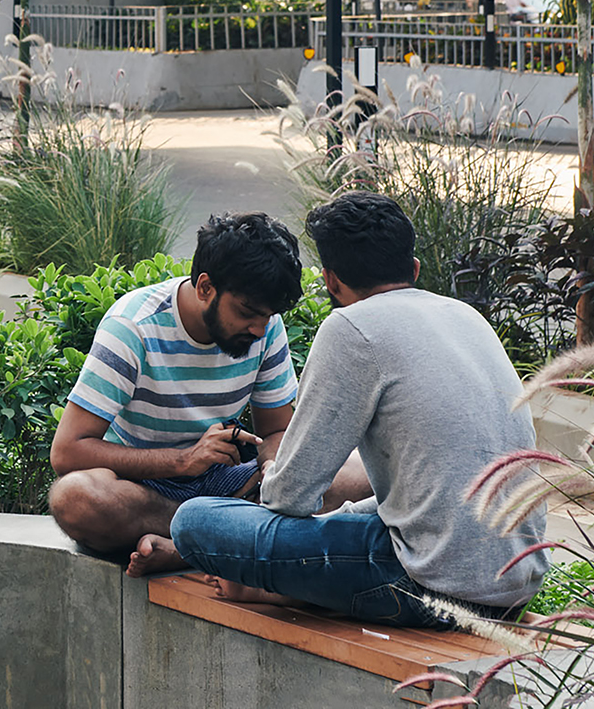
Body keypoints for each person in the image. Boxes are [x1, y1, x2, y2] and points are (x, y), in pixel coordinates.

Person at [155, 192, 548, 629]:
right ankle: (292, 588)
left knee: (194, 521)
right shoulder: (467, 317)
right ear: (413, 269)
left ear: (331, 281)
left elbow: (289, 496)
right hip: (516, 586)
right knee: (350, 507)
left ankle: (277, 587)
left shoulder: (350, 328)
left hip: (427, 588)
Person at [46, 212, 316, 567]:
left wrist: (273, 466)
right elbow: (67, 452)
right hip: (147, 489)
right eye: (248, 311)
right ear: (205, 287)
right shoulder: (133, 326)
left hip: (229, 483)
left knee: (355, 474)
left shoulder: (264, 326)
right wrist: (183, 461)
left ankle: (183, 547)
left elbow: (277, 429)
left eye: (269, 315)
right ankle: (219, 535)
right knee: (76, 498)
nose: (259, 329)